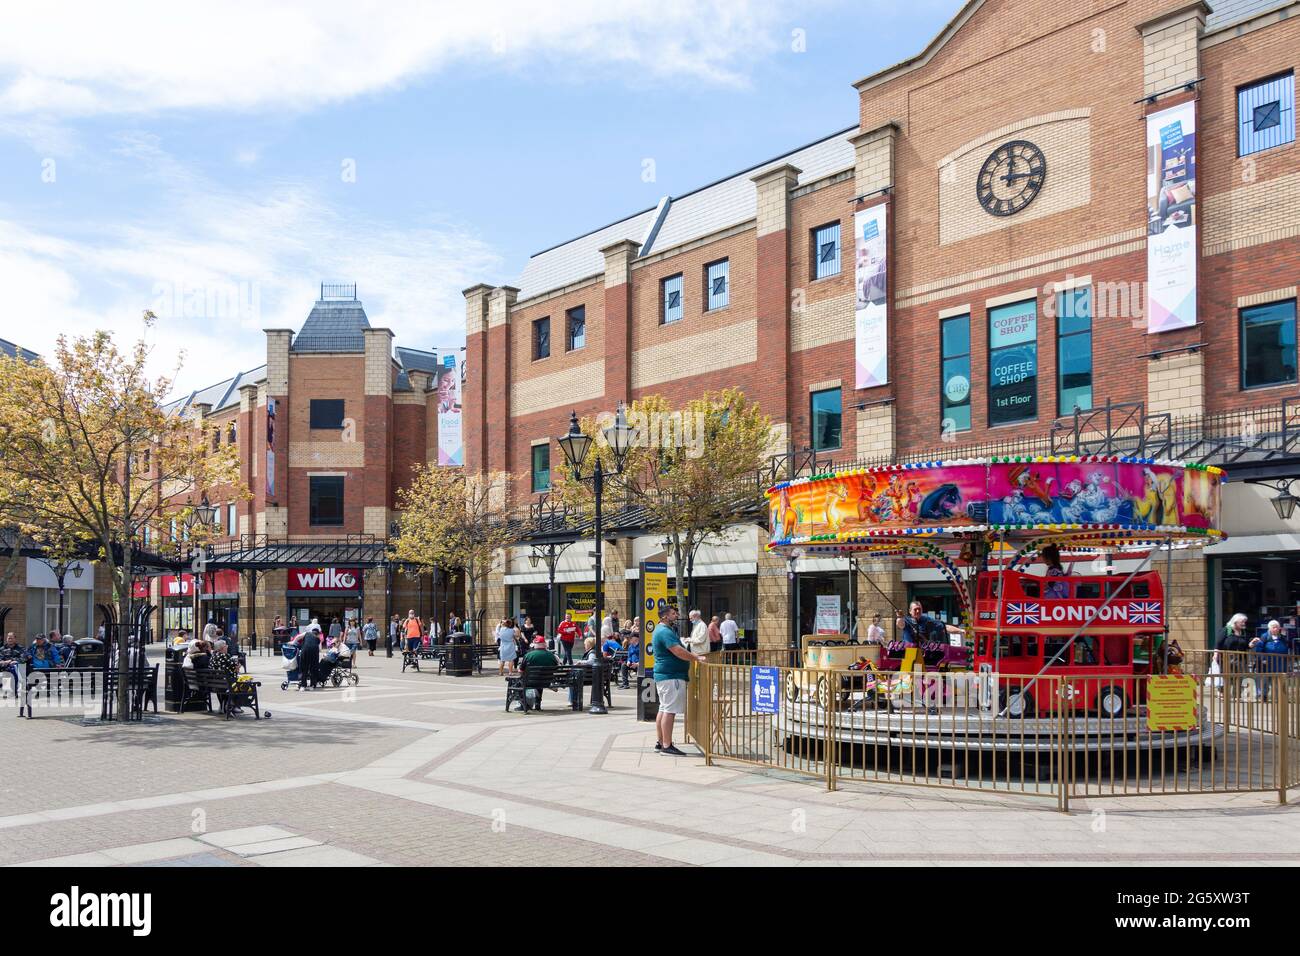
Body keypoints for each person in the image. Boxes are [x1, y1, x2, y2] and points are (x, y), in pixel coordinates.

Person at [652, 606, 705, 756]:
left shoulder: (663, 630)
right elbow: (678, 651)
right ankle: (667, 746)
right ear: (664, 617)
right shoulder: (664, 631)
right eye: (673, 614)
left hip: (667, 675)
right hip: (671, 676)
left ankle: (661, 742)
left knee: (664, 709)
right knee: (669, 711)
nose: (676, 616)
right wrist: (696, 657)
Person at [1252, 621, 1289, 703]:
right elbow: (1258, 649)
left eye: (1277, 627)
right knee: (1265, 680)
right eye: (1274, 627)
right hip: (1267, 663)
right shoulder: (1264, 636)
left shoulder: (1282, 637)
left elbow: (1287, 648)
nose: (1276, 629)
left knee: (1278, 681)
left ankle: (1280, 698)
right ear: (1269, 628)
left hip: (1280, 663)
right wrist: (1263, 659)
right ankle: (1263, 696)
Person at [897, 600, 962, 646]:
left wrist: (961, 631)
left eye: (919, 609)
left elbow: (945, 627)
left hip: (924, 652)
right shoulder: (906, 620)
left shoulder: (926, 620)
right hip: (909, 652)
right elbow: (900, 624)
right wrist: (900, 617)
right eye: (915, 609)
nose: (917, 611)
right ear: (910, 611)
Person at [519, 636, 558, 710]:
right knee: (540, 680)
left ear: (535, 645)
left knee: (518, 682)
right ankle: (537, 703)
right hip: (547, 681)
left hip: (530, 682)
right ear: (545, 644)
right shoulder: (551, 655)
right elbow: (556, 668)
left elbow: (521, 670)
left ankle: (524, 705)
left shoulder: (528, 655)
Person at [1220, 613, 1251, 696]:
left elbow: (1247, 645)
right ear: (1235, 622)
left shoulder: (1244, 632)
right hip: (1228, 657)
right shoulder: (1226, 630)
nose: (1244, 624)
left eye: (1244, 622)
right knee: (1227, 677)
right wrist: (1215, 655)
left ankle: (1236, 695)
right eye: (1242, 622)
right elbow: (1218, 643)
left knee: (1239, 677)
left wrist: (1251, 644)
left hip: (1241, 658)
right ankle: (1224, 694)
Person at [298, 623, 322, 690]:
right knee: (313, 669)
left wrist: (293, 642)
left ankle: (303, 686)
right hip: (314, 652)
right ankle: (312, 685)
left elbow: (298, 637)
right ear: (317, 634)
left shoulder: (307, 633)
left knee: (304, 668)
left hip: (305, 651)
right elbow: (320, 649)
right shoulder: (318, 638)